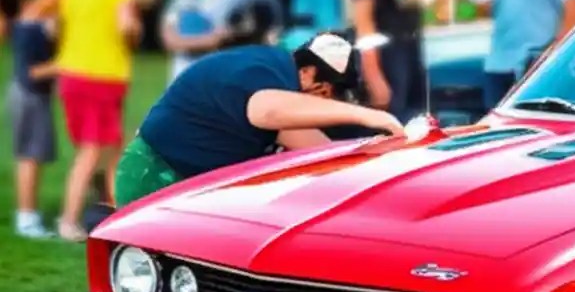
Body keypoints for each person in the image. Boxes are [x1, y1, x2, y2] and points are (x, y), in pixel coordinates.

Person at [114, 33, 405, 207]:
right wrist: (369, 116)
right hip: (155, 176)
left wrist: (375, 167)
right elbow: (264, 111)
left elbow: (319, 151)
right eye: (328, 94)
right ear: (308, 74)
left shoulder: (273, 73)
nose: (326, 107)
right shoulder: (268, 77)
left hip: (181, 181)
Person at [56, 0, 141, 241]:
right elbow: (124, 28)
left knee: (109, 144)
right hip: (103, 75)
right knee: (94, 151)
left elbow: (61, 25)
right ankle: (69, 220)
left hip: (72, 73)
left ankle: (113, 207)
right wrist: (135, 29)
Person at [8, 0, 59, 238]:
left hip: (33, 96)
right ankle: (26, 218)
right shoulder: (28, 26)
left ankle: (29, 214)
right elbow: (32, 72)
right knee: (29, 157)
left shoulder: (36, 24)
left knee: (34, 156)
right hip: (29, 97)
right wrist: (65, 64)